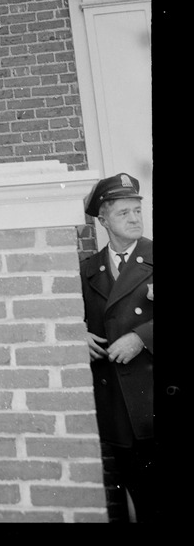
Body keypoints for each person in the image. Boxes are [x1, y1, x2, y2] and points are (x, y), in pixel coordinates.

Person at [81, 172, 154, 522]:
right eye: (124, 212)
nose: (135, 218)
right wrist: (77, 334)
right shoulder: (87, 270)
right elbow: (67, 317)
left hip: (153, 397)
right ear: (103, 220)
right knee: (139, 494)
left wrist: (142, 337)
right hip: (118, 406)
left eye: (137, 210)